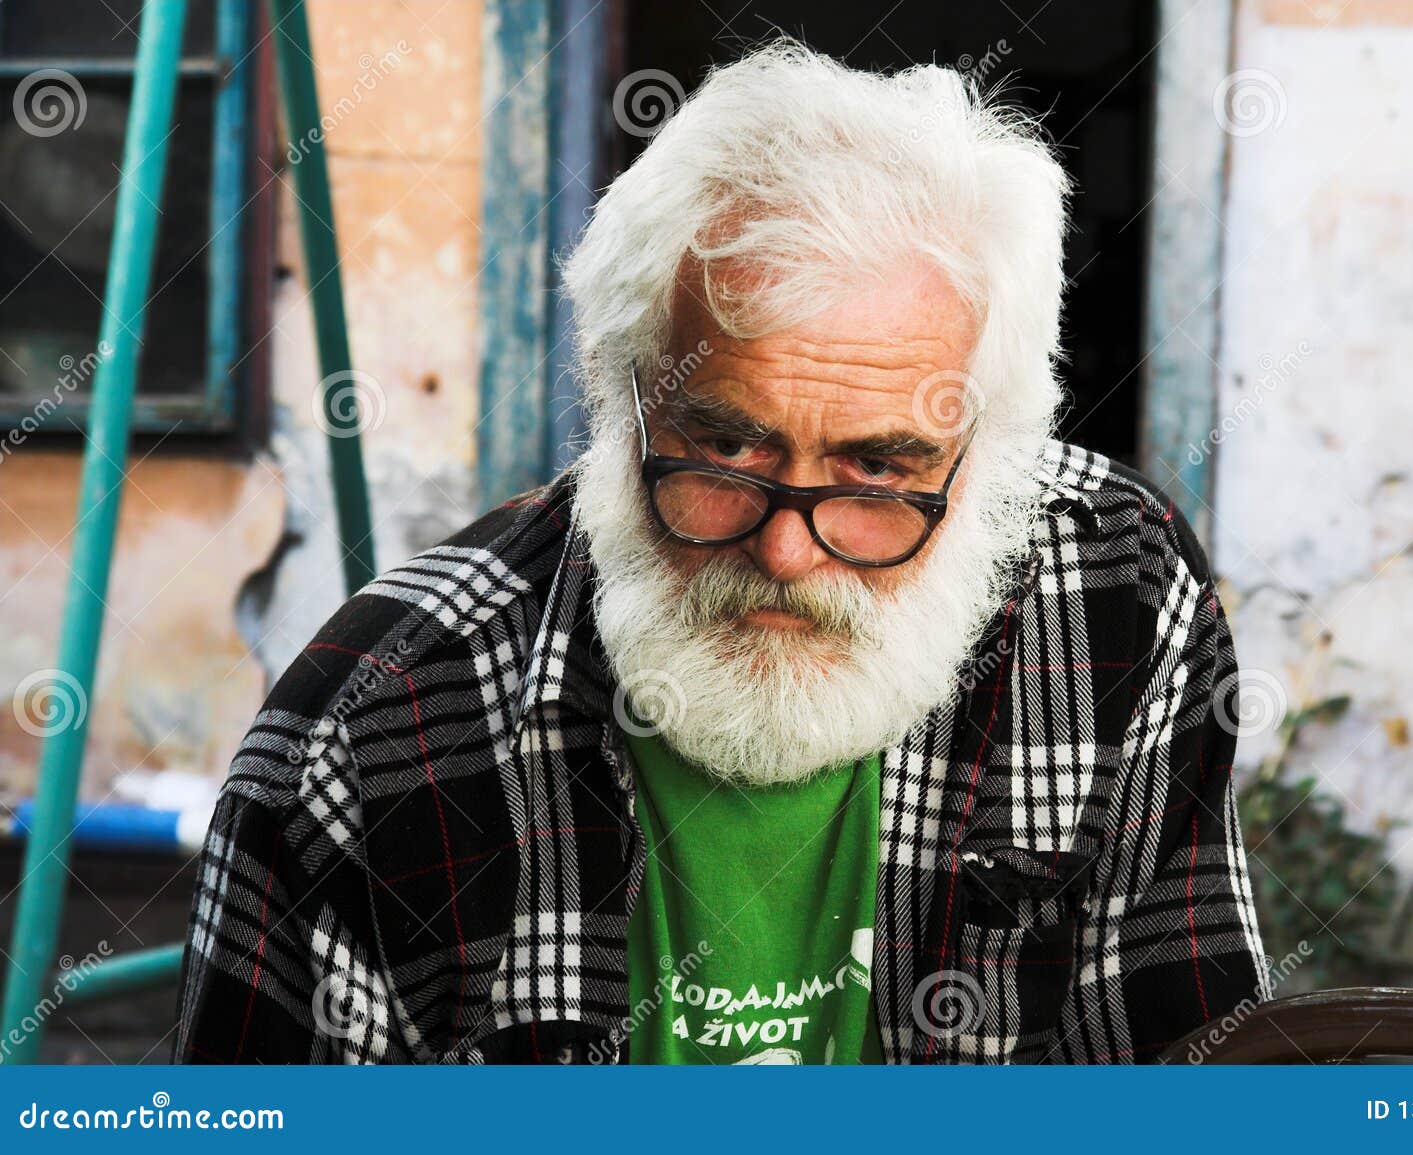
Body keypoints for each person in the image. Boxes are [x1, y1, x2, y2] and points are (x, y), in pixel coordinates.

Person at [175, 40, 1267, 1065]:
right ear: (621, 406)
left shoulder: (1118, 597)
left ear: (990, 455)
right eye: (726, 449)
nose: (788, 554)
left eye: (879, 471)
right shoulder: (366, 735)